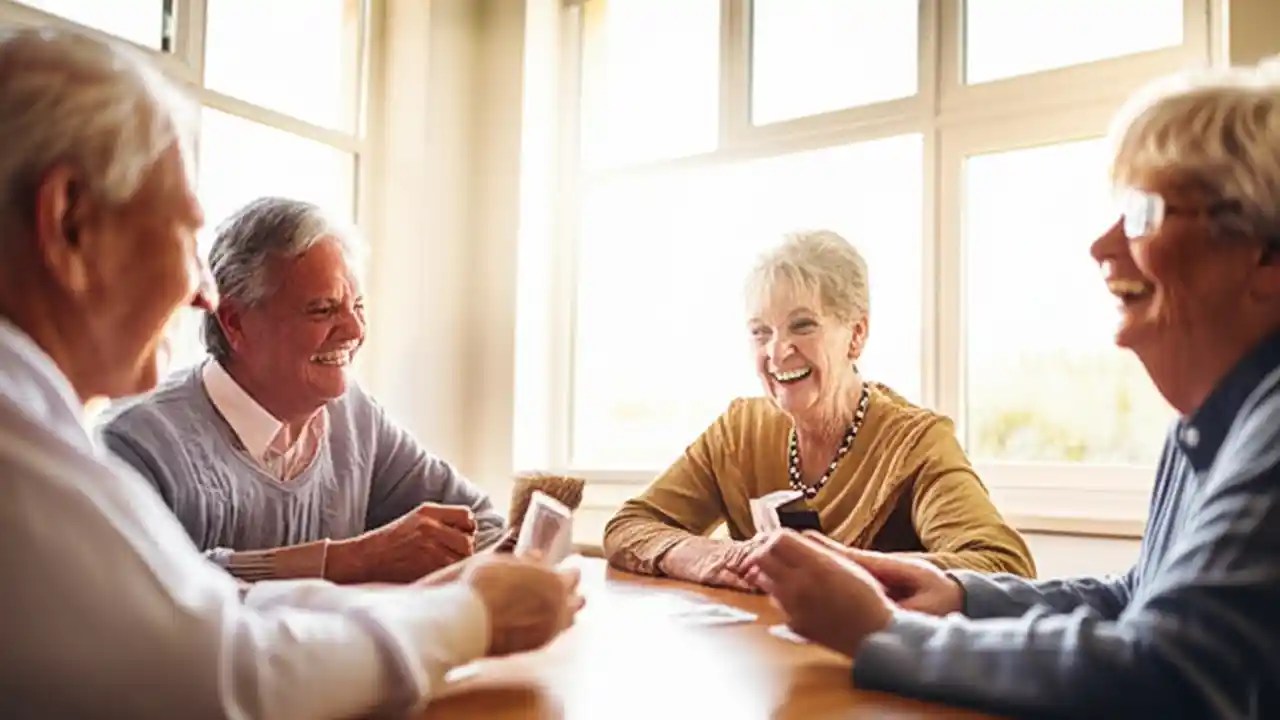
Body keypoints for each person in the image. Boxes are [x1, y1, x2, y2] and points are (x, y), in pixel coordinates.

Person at [0, 28, 580, 719]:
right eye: (186, 235)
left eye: (355, 306)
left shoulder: (34, 414)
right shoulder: (59, 438)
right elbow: (218, 674)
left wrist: (437, 597)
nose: (200, 292)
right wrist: (467, 615)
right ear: (69, 223)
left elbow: (203, 613)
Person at [739, 59, 1280, 717]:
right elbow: (1136, 598)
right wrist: (958, 594)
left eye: (1144, 212)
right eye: (760, 331)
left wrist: (880, 632)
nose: (1101, 246)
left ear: (1264, 257)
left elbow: (1163, 674)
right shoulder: (1208, 425)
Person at [98, 196, 504, 583]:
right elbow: (146, 591)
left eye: (357, 307)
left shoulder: (356, 417)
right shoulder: (136, 441)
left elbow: (482, 525)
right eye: (323, 310)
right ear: (235, 323)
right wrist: (346, 561)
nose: (355, 331)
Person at [604, 231, 1035, 589]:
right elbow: (629, 525)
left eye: (802, 325)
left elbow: (1004, 566)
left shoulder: (914, 443)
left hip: (876, 671)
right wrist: (701, 555)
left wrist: (838, 569)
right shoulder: (739, 431)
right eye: (761, 332)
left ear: (856, 335)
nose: (777, 351)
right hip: (767, 664)